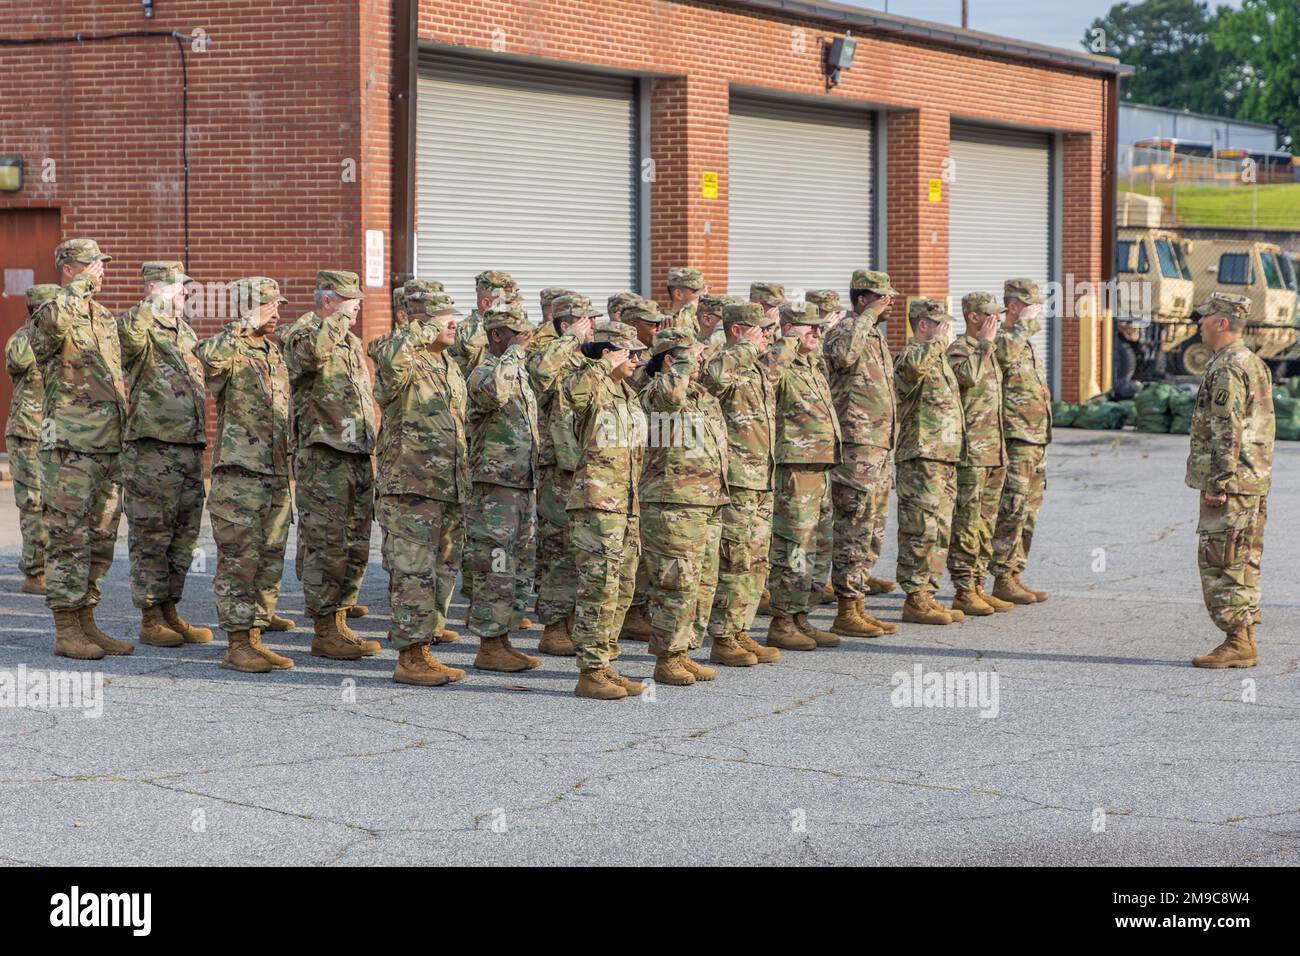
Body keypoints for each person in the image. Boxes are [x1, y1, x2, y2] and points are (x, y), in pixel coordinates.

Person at [28, 239, 132, 660]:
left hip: (108, 444)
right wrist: (75, 291)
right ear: (69, 269)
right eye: (92, 265)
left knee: (101, 536)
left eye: (102, 264)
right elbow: (45, 335)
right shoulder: (53, 308)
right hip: (71, 444)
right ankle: (65, 628)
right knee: (68, 535)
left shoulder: (103, 317)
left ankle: (88, 619)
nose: (101, 271)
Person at [195, 277, 296, 672]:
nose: (276, 313)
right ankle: (236, 643)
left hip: (274, 471)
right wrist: (241, 323)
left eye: (277, 306)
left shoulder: (274, 351)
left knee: (270, 557)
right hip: (240, 473)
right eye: (268, 306)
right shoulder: (228, 348)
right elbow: (206, 356)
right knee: (240, 558)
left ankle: (256, 635)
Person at [279, 270, 380, 660]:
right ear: (327, 300)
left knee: (355, 542)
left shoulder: (352, 342)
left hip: (355, 453)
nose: (356, 307)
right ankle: (323, 629)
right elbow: (310, 357)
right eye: (349, 300)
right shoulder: (301, 332)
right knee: (326, 544)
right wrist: (335, 319)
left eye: (357, 300)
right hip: (323, 454)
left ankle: (339, 618)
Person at [372, 292, 471, 686]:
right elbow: (390, 356)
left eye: (452, 318)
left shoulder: (447, 364)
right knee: (412, 572)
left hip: (448, 486)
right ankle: (409, 657)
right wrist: (420, 329)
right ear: (419, 323)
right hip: (410, 485)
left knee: (442, 569)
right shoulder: (401, 357)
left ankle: (425, 645)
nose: (452, 325)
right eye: (442, 319)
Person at [640, 327, 741, 684]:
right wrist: (678, 367)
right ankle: (666, 657)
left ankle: (684, 651)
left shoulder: (701, 395)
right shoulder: (656, 390)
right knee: (676, 583)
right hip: (673, 501)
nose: (699, 359)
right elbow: (669, 398)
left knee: (702, 582)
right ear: (670, 360)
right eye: (690, 355)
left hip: (707, 500)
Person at [118, 261, 212, 647]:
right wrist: (153, 301)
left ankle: (170, 608)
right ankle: (150, 616)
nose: (185, 293)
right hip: (153, 449)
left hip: (189, 450)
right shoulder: (137, 326)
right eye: (177, 286)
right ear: (156, 287)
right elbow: (127, 341)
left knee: (182, 538)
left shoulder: (184, 332)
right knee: (151, 535)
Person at [701, 302, 797, 664]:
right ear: (739, 330)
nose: (766, 337)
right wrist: (742, 346)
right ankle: (723, 636)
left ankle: (742, 629)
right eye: (761, 331)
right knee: (734, 558)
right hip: (737, 479)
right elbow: (711, 380)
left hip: (761, 477)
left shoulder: (755, 367)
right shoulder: (724, 358)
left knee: (757, 560)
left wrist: (786, 339)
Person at [1185, 292, 1273, 669]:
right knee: (1244, 560)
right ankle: (1245, 638)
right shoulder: (1253, 362)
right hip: (1252, 482)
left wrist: (1217, 483)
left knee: (1220, 562)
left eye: (1204, 318)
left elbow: (1227, 429)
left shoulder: (1227, 368)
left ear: (1222, 322)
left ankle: (1237, 640)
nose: (1199, 324)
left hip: (1232, 485)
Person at [564, 321, 649, 699]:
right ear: (606, 352)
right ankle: (591, 670)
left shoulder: (626, 393)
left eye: (637, 352)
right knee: (599, 585)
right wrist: (599, 362)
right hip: (597, 504)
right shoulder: (590, 385)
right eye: (628, 352)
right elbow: (572, 393)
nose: (636, 359)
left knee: (623, 584)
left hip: (626, 503)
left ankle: (607, 662)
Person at [465, 302, 543, 672]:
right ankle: (489, 643)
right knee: (494, 564)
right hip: (494, 487)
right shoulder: (484, 372)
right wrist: (513, 355)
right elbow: (493, 393)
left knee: (519, 566)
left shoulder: (519, 375)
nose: (525, 342)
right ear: (496, 335)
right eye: (518, 335)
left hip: (521, 483)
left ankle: (504, 638)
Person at [822, 271, 900, 637]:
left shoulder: (874, 335)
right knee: (853, 525)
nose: (891, 305)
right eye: (883, 298)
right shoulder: (845, 329)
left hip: (878, 447)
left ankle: (858, 603)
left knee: (872, 530)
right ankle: (845, 608)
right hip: (856, 447)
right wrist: (866, 317)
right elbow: (840, 357)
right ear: (863, 299)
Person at [526, 292, 599, 656]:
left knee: (578, 547)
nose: (592, 328)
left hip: (584, 461)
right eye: (586, 322)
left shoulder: (583, 356)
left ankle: (571, 620)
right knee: (557, 546)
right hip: (558, 464)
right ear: (567, 325)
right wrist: (568, 339)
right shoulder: (550, 353)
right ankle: (554, 626)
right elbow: (538, 374)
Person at [767, 299, 842, 651]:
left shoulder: (811, 366)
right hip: (794, 470)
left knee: (817, 546)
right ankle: (782, 620)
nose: (816, 332)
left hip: (819, 468)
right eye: (807, 326)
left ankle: (801, 616)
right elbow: (766, 380)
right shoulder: (779, 363)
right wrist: (787, 343)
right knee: (793, 546)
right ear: (787, 330)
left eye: (819, 326)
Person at [893, 298, 966, 626]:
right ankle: (915, 597)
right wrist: (937, 343)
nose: (946, 331)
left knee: (939, 529)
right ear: (923, 325)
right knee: (920, 528)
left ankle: (929, 594)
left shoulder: (940, 360)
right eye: (940, 324)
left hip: (944, 457)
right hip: (920, 457)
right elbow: (910, 373)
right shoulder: (912, 355)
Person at [946, 292, 1014, 616]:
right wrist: (985, 345)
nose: (996, 321)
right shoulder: (960, 350)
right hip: (971, 452)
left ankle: (978, 585)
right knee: (968, 522)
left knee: (986, 522)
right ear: (973, 317)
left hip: (994, 451)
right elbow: (967, 379)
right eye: (990, 315)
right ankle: (963, 589)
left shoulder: (991, 351)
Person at [990, 278, 1052, 605]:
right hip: (1015, 437)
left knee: (1029, 511)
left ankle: (1015, 571)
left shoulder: (1025, 341)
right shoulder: (1003, 338)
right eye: (1031, 305)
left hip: (1036, 437)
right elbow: (1000, 359)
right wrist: (1023, 326)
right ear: (1013, 307)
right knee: (1011, 508)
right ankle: (1001, 575)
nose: (1037, 310)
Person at [5, 285, 57, 596]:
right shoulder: (22, 339)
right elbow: (20, 360)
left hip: (56, 432)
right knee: (33, 502)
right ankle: (35, 572)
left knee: (57, 504)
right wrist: (40, 327)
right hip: (27, 432)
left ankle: (56, 566)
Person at [450, 270, 516, 377]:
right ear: (487, 303)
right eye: (507, 303)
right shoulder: (466, 332)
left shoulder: (509, 326)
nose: (513, 307)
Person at [663, 266, 707, 332]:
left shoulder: (699, 320)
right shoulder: (667, 323)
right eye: (698, 292)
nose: (703, 296)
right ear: (678, 294)